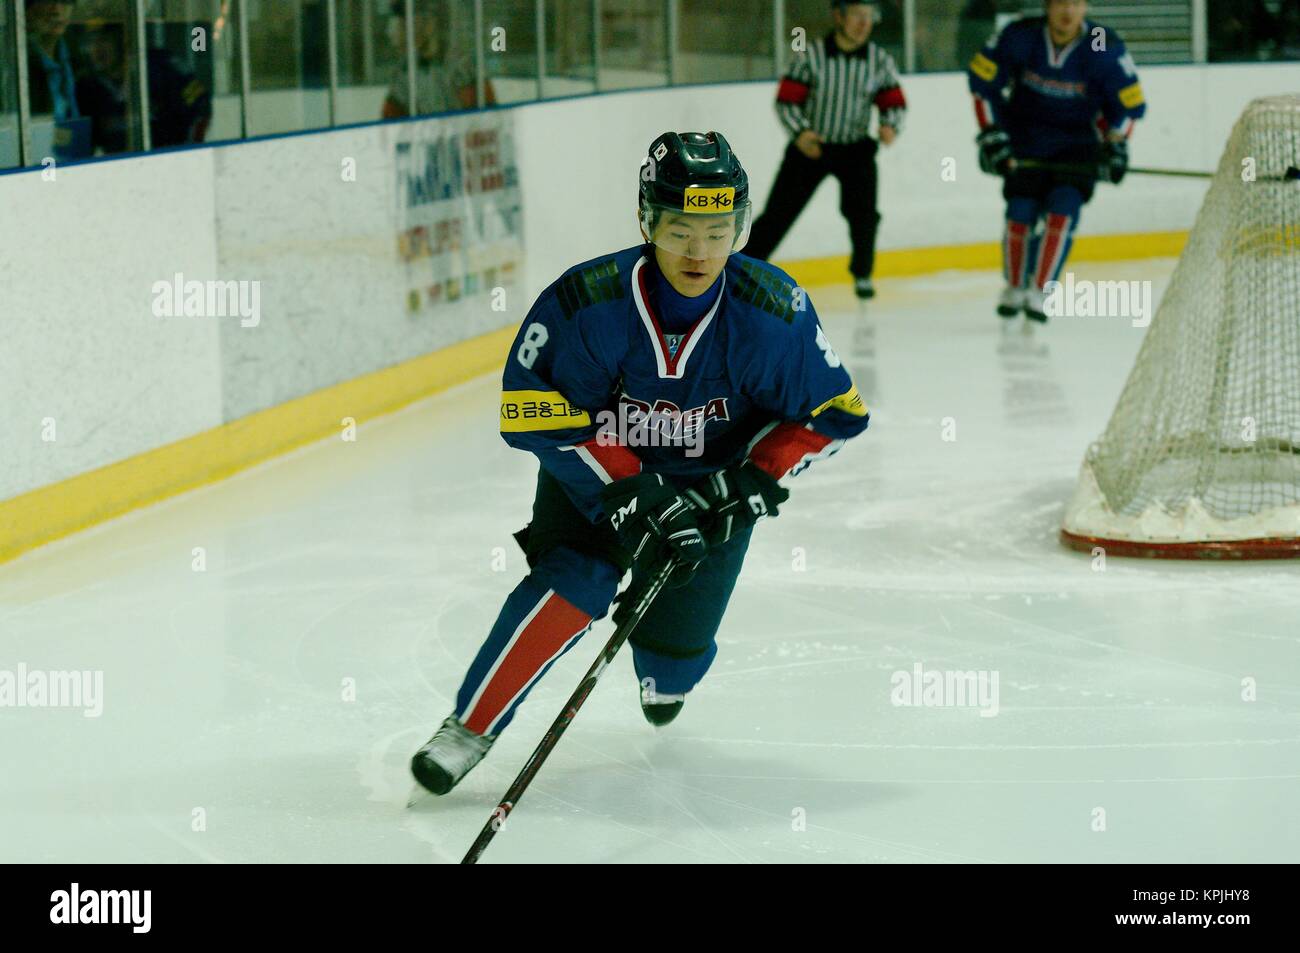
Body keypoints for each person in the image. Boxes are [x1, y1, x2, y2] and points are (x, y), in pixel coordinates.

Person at [410, 131, 871, 796]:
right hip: (595, 483)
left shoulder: (773, 314)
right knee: (575, 583)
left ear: (739, 228)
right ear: (647, 222)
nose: (699, 252)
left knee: (671, 671)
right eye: (680, 231)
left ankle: (666, 666)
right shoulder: (588, 303)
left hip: (708, 496)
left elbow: (835, 411)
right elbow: (530, 409)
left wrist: (750, 481)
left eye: (717, 232)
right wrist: (628, 488)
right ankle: (469, 727)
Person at [968, 0, 1146, 324]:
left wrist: (1116, 145)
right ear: (1047, 6)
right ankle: (1015, 286)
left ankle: (1040, 290)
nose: (1068, 11)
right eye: (1061, 2)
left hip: (1076, 148)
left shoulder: (1100, 42)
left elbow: (1126, 105)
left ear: (1085, 6)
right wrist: (992, 135)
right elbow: (984, 88)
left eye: (1076, 3)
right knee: (1019, 212)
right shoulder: (1020, 35)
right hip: (1026, 143)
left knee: (1062, 211)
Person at [744, 1, 906, 301]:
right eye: (857, 15)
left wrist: (890, 125)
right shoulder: (811, 55)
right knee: (779, 213)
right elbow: (787, 100)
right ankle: (744, 268)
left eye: (869, 17)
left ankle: (862, 273)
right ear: (839, 17)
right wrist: (801, 133)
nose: (864, 24)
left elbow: (893, 101)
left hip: (856, 149)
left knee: (864, 216)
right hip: (812, 149)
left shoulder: (879, 60)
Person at [380, 0, 494, 118]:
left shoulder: (461, 64)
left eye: (406, 22)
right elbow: (391, 120)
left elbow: (487, 116)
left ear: (430, 22)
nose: (399, 30)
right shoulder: (404, 71)